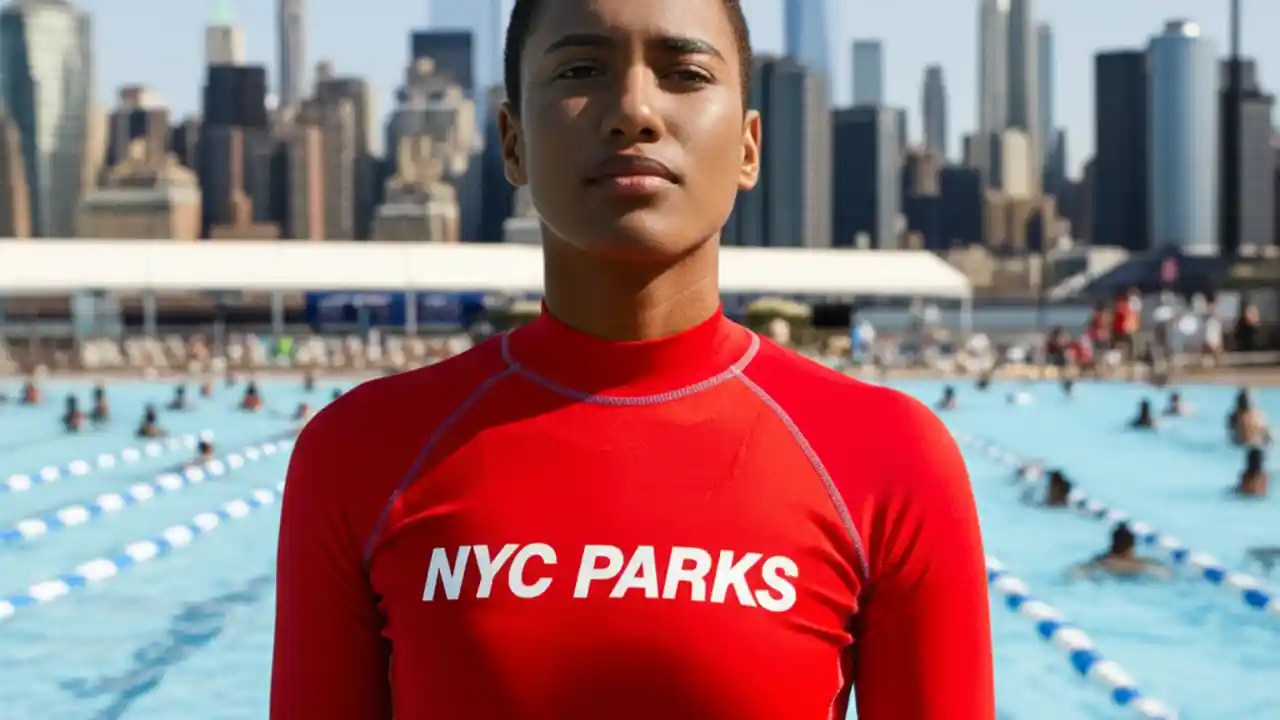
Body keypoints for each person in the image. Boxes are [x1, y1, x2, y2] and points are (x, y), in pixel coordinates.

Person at [271, 1, 993, 718]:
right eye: (581, 70)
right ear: (512, 141)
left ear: (748, 148)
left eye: (684, 73)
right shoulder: (362, 453)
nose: (634, 112)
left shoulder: (886, 459)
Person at [1071, 523, 1170, 580]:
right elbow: (1166, 574)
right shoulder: (1140, 564)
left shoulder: (1100, 561)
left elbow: (1075, 573)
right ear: (1131, 546)